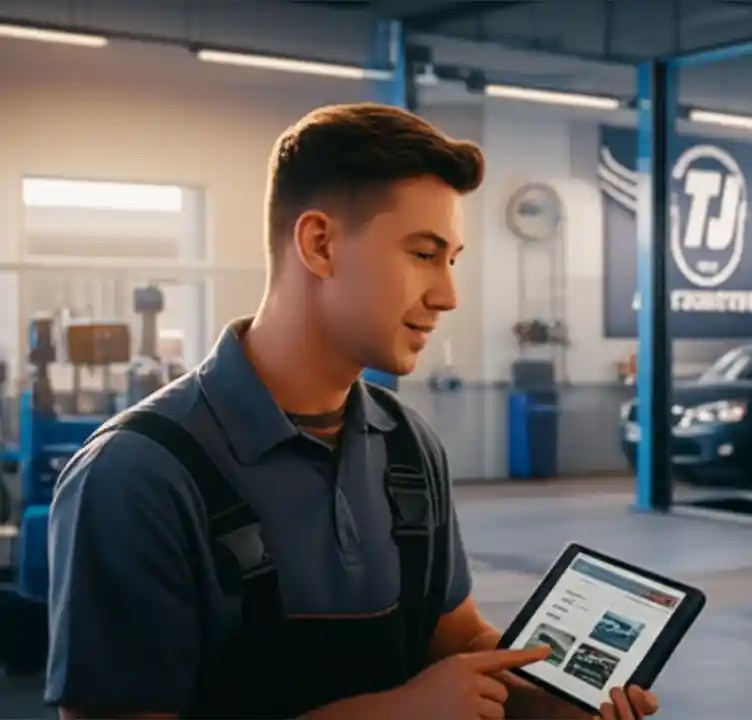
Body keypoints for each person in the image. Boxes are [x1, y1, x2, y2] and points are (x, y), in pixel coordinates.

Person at [45, 103, 660, 720]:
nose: (447, 295)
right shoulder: (137, 475)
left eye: (453, 259)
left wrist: (545, 698)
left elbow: (454, 636)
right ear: (319, 243)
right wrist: (401, 713)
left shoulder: (407, 446)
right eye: (423, 254)